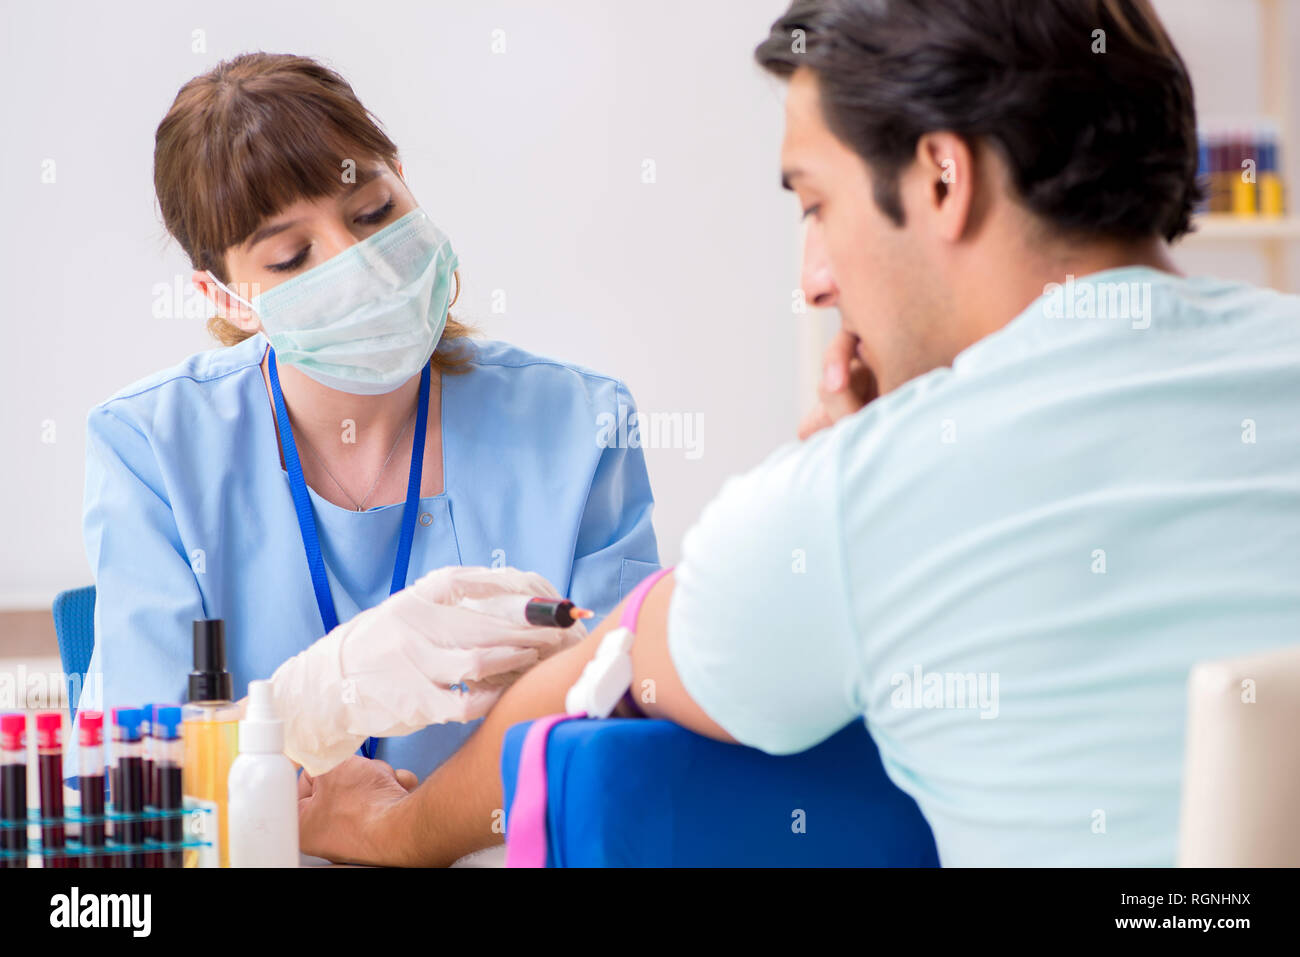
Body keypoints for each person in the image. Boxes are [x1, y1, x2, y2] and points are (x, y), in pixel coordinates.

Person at [298, 0, 1300, 866]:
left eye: (816, 205)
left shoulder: (855, 499)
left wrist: (387, 832)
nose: (815, 276)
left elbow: (577, 689)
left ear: (943, 181)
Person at [73, 53, 659, 783]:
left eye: (374, 213)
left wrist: (395, 831)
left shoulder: (578, 424)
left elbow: (627, 734)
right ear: (224, 296)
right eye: (291, 257)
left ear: (405, 182)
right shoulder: (153, 450)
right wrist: (314, 703)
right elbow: (133, 780)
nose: (359, 264)